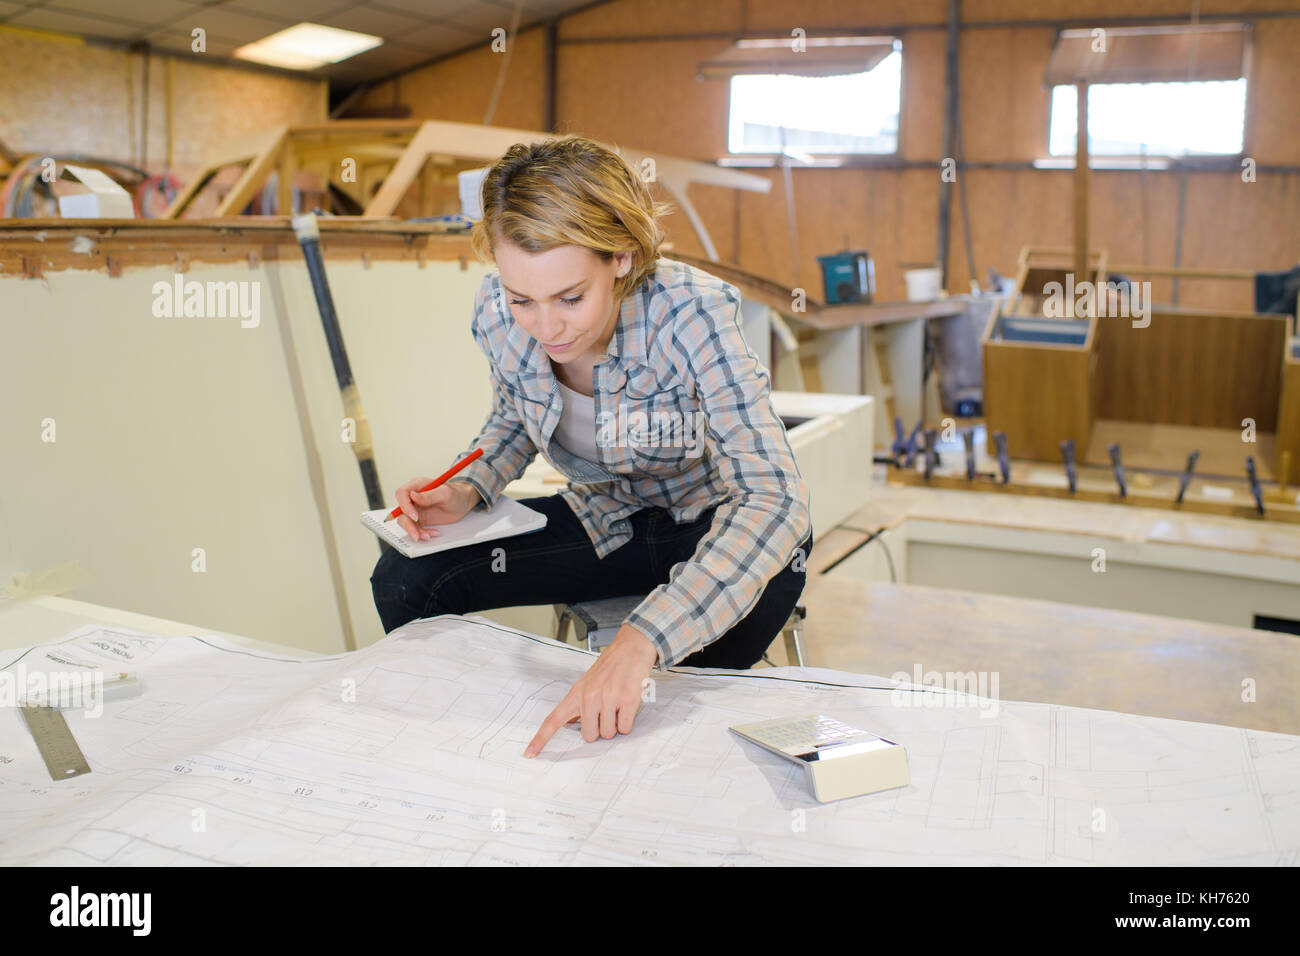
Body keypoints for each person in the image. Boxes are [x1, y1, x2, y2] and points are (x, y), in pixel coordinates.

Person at [370, 135, 813, 756]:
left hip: (715, 525)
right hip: (609, 519)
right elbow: (515, 419)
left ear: (622, 258)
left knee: (669, 694)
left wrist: (640, 639)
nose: (546, 327)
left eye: (570, 298)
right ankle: (455, 761)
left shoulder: (692, 311)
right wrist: (469, 487)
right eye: (524, 298)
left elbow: (774, 497)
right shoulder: (498, 313)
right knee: (405, 574)